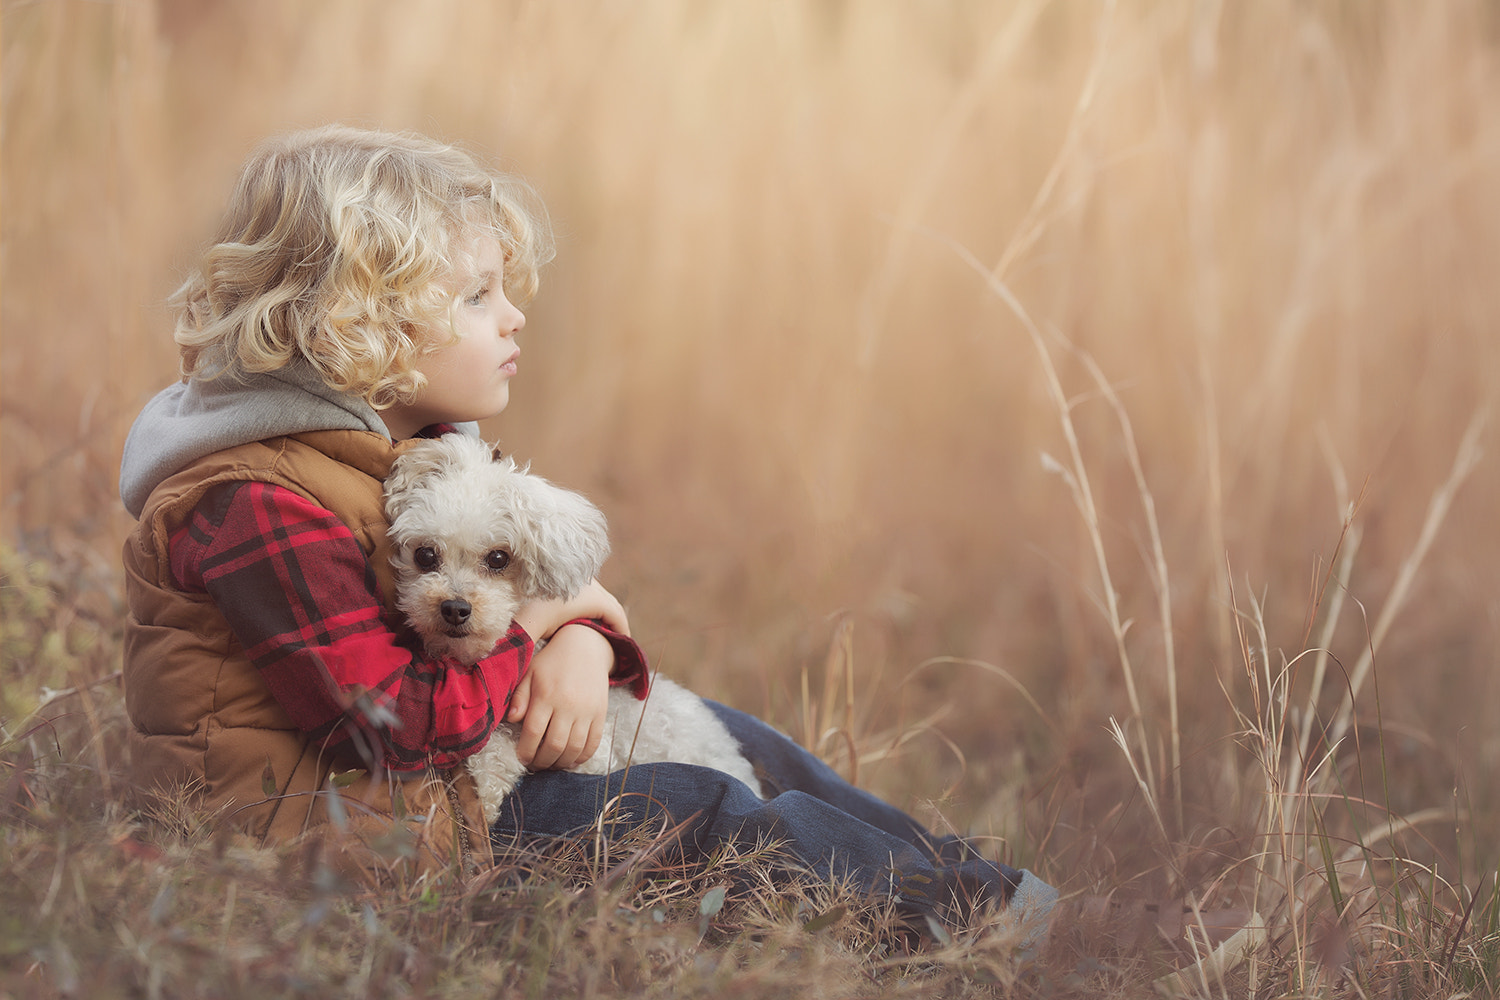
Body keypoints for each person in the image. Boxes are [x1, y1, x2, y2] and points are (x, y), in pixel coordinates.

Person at [119, 124, 1057, 940]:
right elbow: (391, 727)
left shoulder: (408, 447)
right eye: (476, 296)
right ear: (360, 322)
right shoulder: (254, 499)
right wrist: (544, 626)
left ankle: (992, 890)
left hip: (438, 790)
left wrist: (580, 635)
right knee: (698, 813)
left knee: (747, 742)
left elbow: (510, 589)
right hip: (348, 842)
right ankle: (979, 929)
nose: (515, 315)